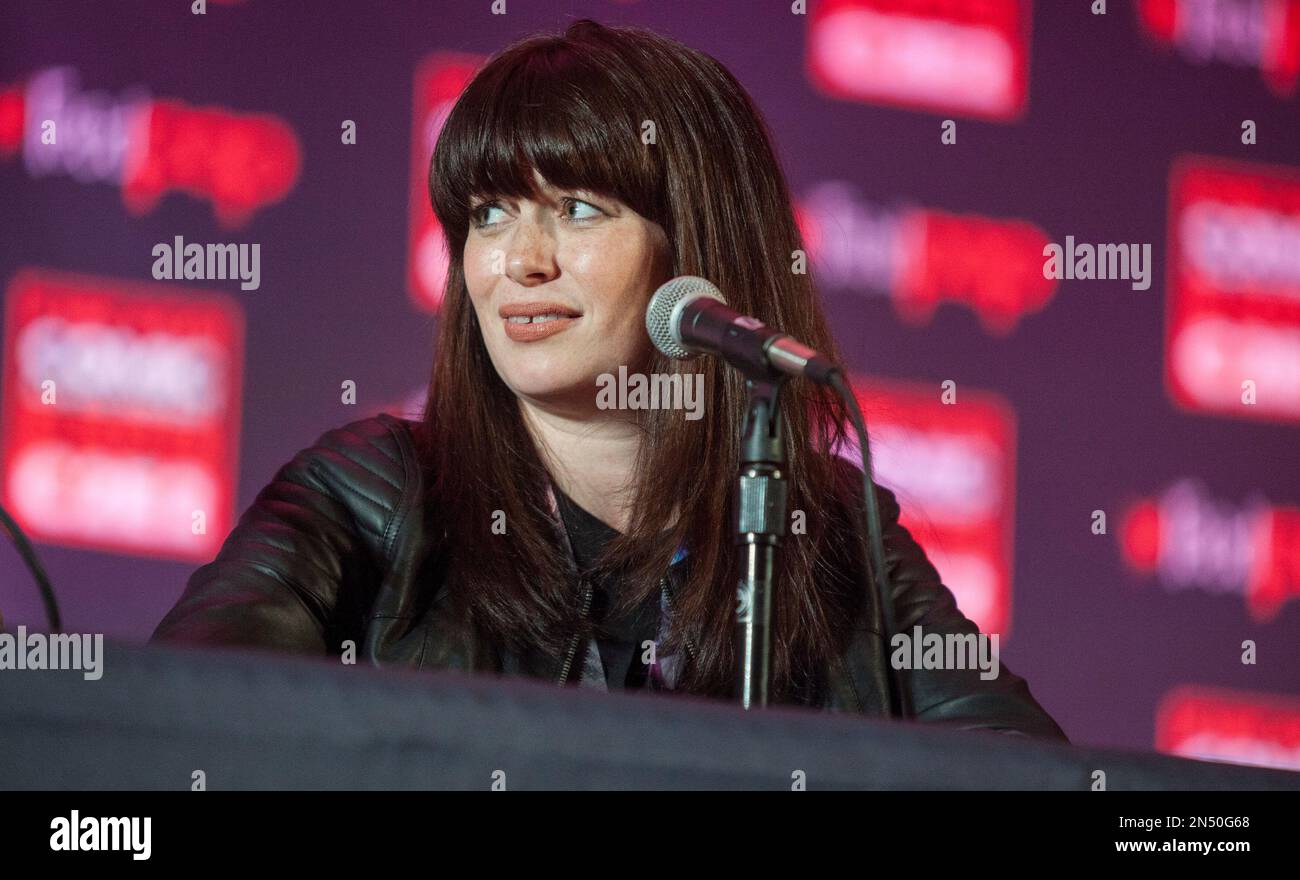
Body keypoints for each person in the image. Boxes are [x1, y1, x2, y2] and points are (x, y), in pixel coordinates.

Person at [152, 19, 1066, 740]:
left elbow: (1029, 777)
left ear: (698, 251)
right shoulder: (368, 496)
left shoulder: (831, 537)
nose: (520, 261)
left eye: (579, 209)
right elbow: (173, 727)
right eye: (491, 213)